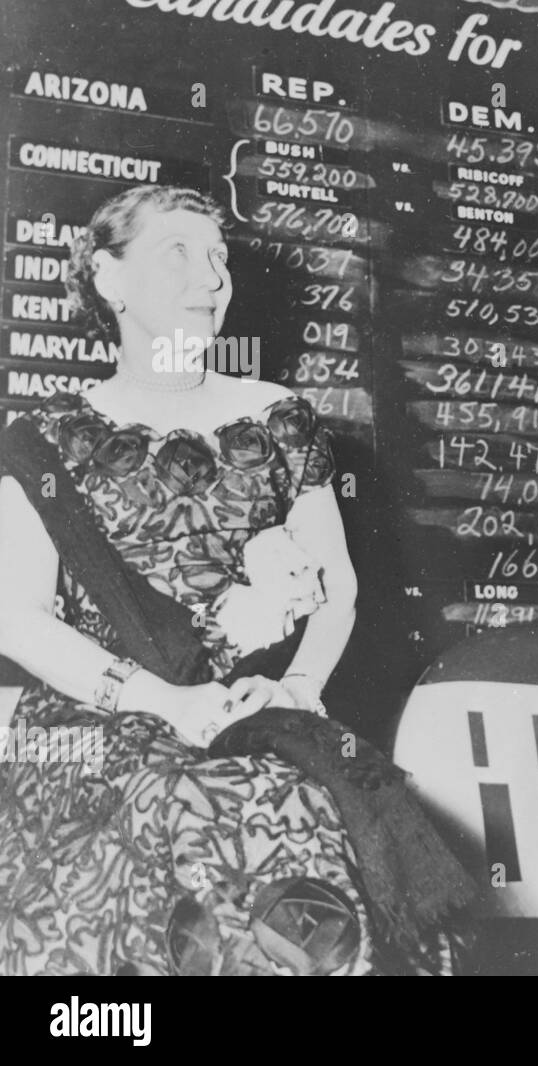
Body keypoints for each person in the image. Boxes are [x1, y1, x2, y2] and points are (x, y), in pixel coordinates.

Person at [0, 184, 471, 976]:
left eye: (218, 257)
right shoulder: (42, 438)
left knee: (307, 810)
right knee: (180, 808)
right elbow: (16, 618)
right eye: (176, 253)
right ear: (109, 280)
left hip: (261, 709)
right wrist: (166, 703)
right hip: (93, 722)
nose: (210, 278)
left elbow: (337, 593)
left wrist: (298, 689)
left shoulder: (280, 419)